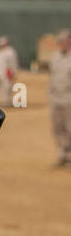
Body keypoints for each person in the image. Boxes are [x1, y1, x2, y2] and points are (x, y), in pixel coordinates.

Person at [51, 29, 71, 167]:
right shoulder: (55, 57)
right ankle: (62, 154)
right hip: (55, 99)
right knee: (57, 128)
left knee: (70, 128)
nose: (63, 43)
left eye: (65, 40)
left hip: (69, 99)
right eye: (61, 41)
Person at [0, 35, 19, 107]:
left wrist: (13, 72)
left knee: (7, 87)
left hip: (8, 72)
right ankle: (4, 101)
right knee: (2, 88)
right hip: (0, 73)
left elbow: (14, 63)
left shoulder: (10, 51)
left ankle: (7, 102)